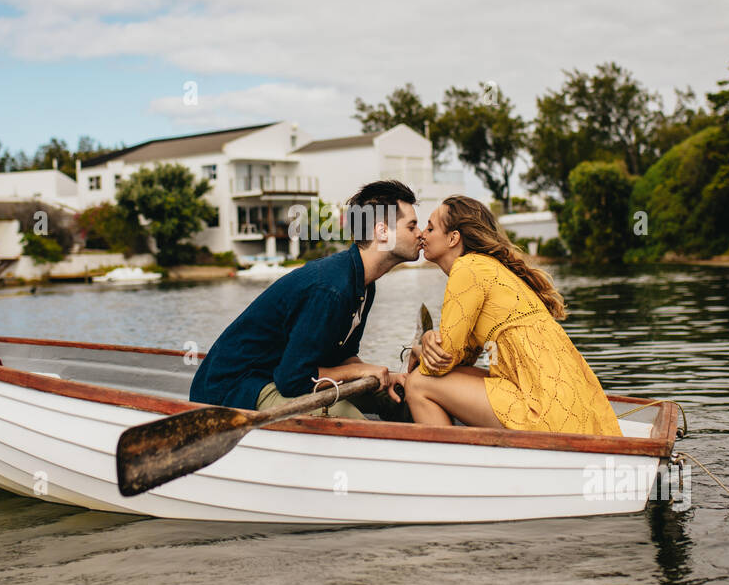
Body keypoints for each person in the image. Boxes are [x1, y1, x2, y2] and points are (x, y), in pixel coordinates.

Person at [188, 180, 421, 419]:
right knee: (350, 419)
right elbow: (293, 380)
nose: (420, 233)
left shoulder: (363, 284)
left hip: (287, 374)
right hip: (239, 387)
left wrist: (382, 375)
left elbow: (342, 356)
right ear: (382, 232)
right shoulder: (331, 289)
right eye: (412, 226)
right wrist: (360, 370)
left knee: (400, 398)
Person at [405, 195, 622, 436]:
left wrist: (421, 349)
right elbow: (458, 358)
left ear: (453, 238)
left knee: (417, 384)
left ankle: (451, 467)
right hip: (568, 407)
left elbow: (440, 364)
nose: (422, 234)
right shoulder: (490, 268)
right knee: (445, 376)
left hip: (541, 410)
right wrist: (427, 344)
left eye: (431, 227)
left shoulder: (467, 268)